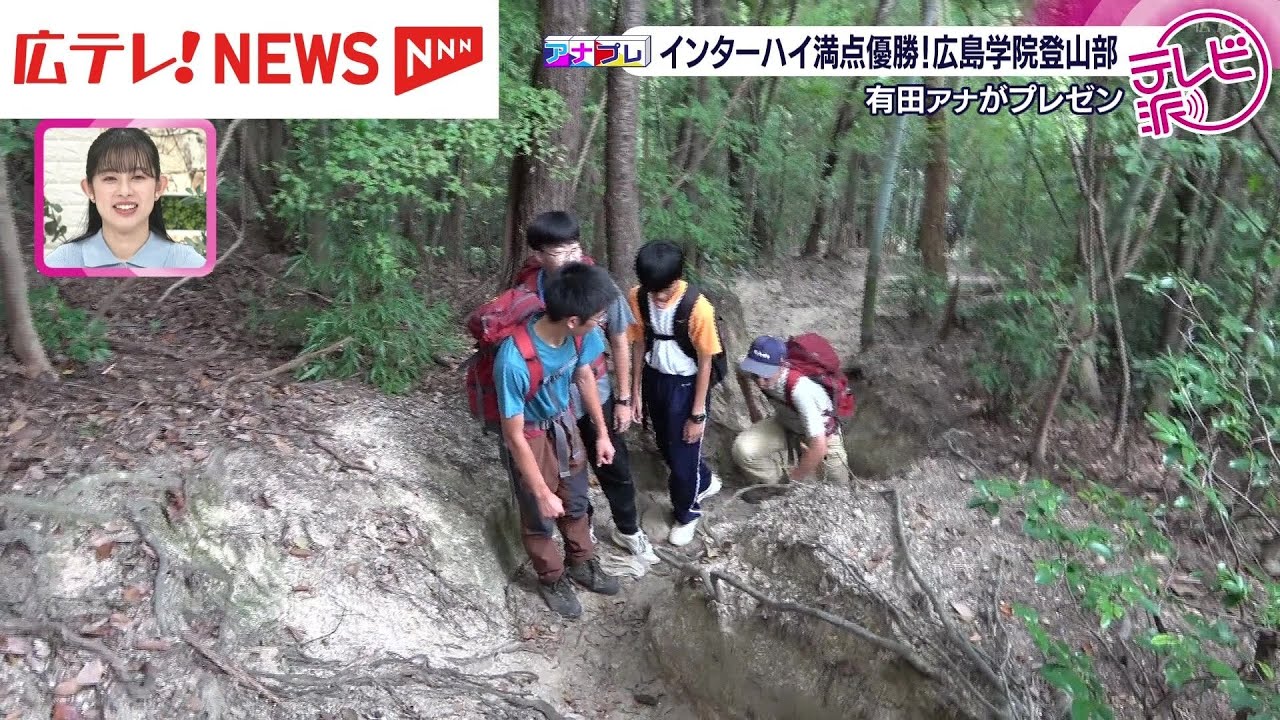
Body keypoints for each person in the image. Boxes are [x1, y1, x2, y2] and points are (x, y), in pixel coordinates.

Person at [516, 211, 657, 565]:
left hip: (598, 391)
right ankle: (585, 527)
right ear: (538, 256)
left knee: (615, 465)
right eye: (559, 252)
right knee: (569, 471)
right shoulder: (528, 294)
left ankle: (628, 529)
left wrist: (625, 398)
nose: (571, 257)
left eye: (575, 248)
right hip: (551, 406)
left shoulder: (598, 284)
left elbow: (620, 338)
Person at [495, 261, 622, 618]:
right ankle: (551, 576)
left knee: (577, 498)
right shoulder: (514, 360)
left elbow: (584, 377)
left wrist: (601, 433)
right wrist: (541, 491)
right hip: (531, 433)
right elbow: (514, 435)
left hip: (563, 423)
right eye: (596, 317)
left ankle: (582, 562)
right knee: (539, 514)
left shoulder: (581, 335)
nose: (600, 323)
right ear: (571, 320)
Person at [627, 241, 723, 547]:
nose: (658, 297)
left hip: (687, 384)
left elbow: (706, 361)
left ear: (678, 278)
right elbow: (639, 342)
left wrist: (698, 413)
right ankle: (704, 481)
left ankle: (687, 513)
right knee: (666, 444)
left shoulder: (698, 309)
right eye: (652, 289)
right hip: (656, 378)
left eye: (664, 289)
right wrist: (635, 391)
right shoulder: (639, 298)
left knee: (683, 452)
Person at [44, 128, 205, 269]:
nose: (125, 191)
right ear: (90, 189)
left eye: (138, 177)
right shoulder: (61, 262)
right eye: (110, 178)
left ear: (158, 187)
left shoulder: (189, 263)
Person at [732, 335, 851, 485]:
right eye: (756, 375)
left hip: (823, 434)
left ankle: (794, 486)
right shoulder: (749, 367)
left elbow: (819, 446)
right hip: (786, 423)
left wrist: (795, 478)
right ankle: (777, 486)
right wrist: (752, 407)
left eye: (766, 375)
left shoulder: (800, 390)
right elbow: (740, 371)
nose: (760, 382)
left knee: (838, 487)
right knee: (743, 450)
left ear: (782, 366)